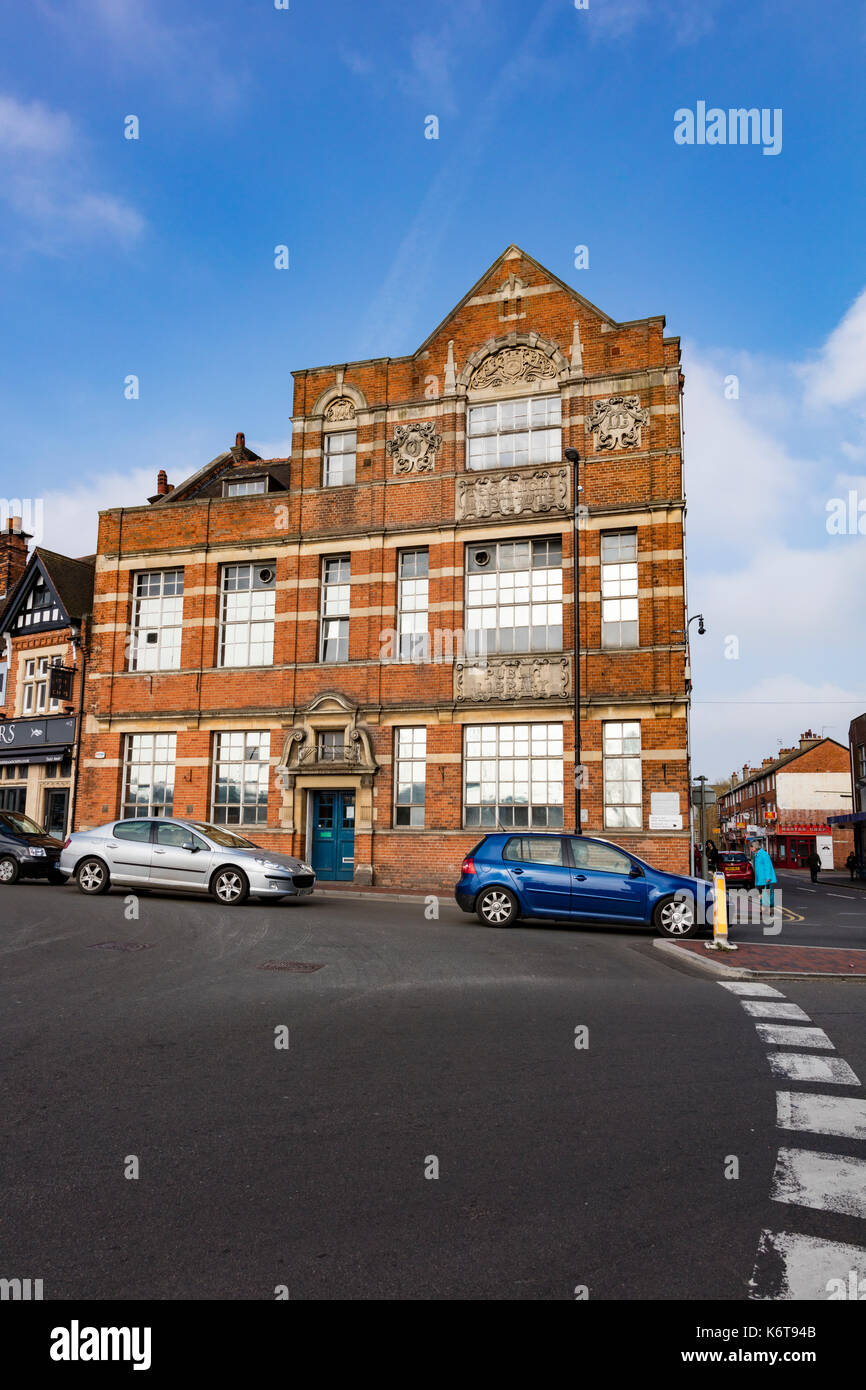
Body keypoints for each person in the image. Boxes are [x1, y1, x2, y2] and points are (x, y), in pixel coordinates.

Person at [753, 843, 777, 909]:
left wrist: (768, 877)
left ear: (756, 847)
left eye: (752, 847)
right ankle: (763, 906)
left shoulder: (764, 854)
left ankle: (768, 906)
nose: (751, 848)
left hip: (765, 878)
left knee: (767, 893)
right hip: (760, 878)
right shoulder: (757, 855)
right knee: (761, 893)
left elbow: (767, 866)